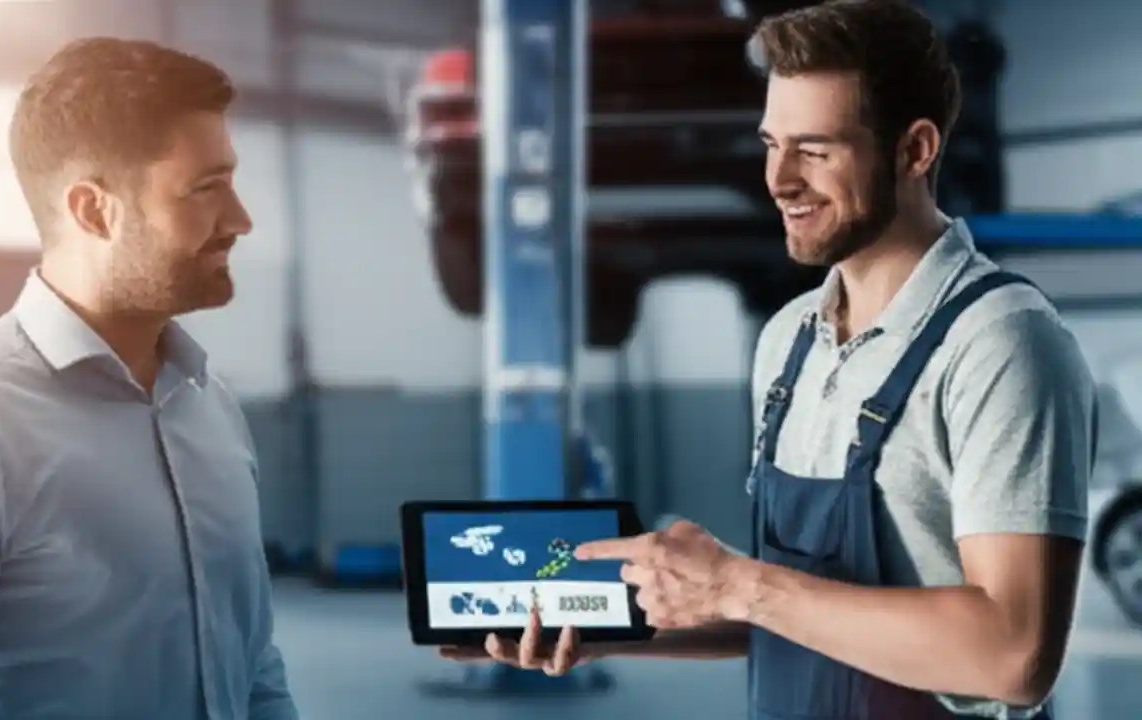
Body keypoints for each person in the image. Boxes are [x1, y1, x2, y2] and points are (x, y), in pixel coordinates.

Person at [441, 2, 1096, 718]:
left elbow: (1013, 655)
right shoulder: (790, 341)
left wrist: (738, 582)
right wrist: (617, 631)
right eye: (770, 144)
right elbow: (797, 611)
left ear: (915, 150)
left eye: (813, 150)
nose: (779, 180)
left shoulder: (1000, 341)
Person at [0, 38, 299, 719]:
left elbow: (254, 665)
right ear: (95, 210)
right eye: (206, 189)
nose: (240, 221)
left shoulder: (209, 406)